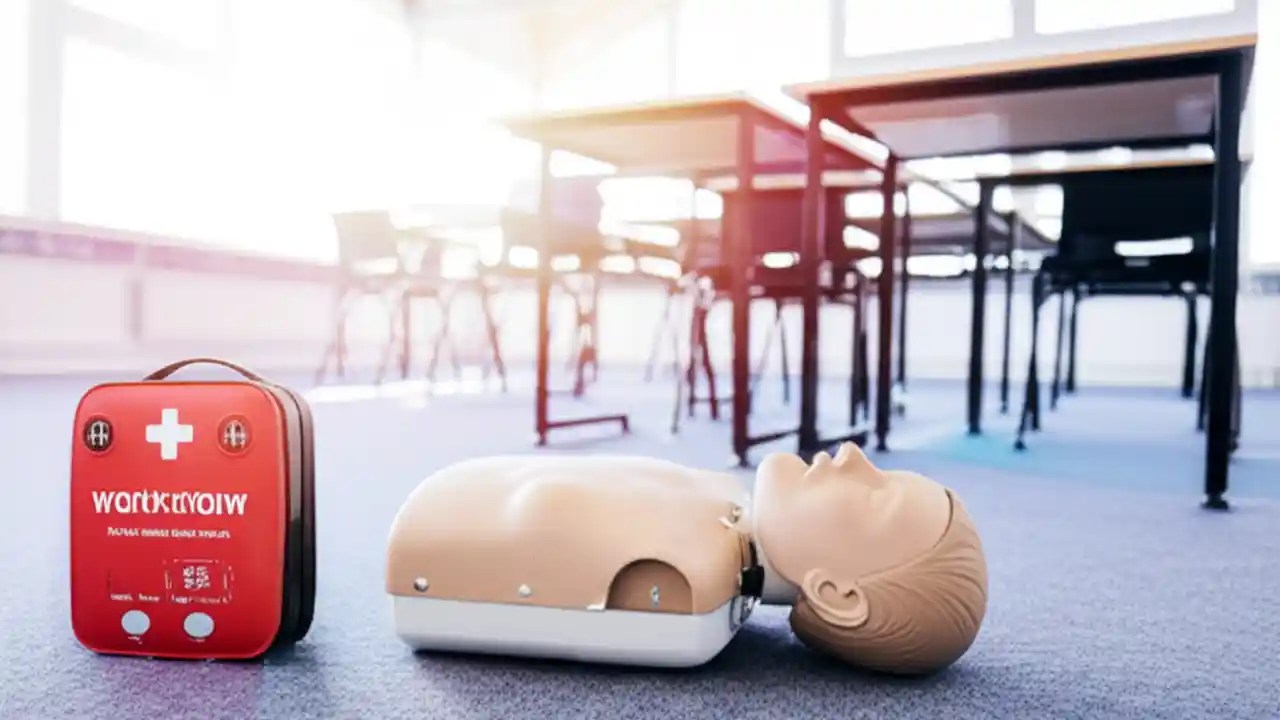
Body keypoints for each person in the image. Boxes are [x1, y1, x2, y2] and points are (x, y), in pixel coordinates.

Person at [386, 443, 987, 675]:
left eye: (873, 496)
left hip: (433, 524)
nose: (856, 454)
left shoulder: (690, 573)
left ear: (836, 594)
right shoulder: (725, 503)